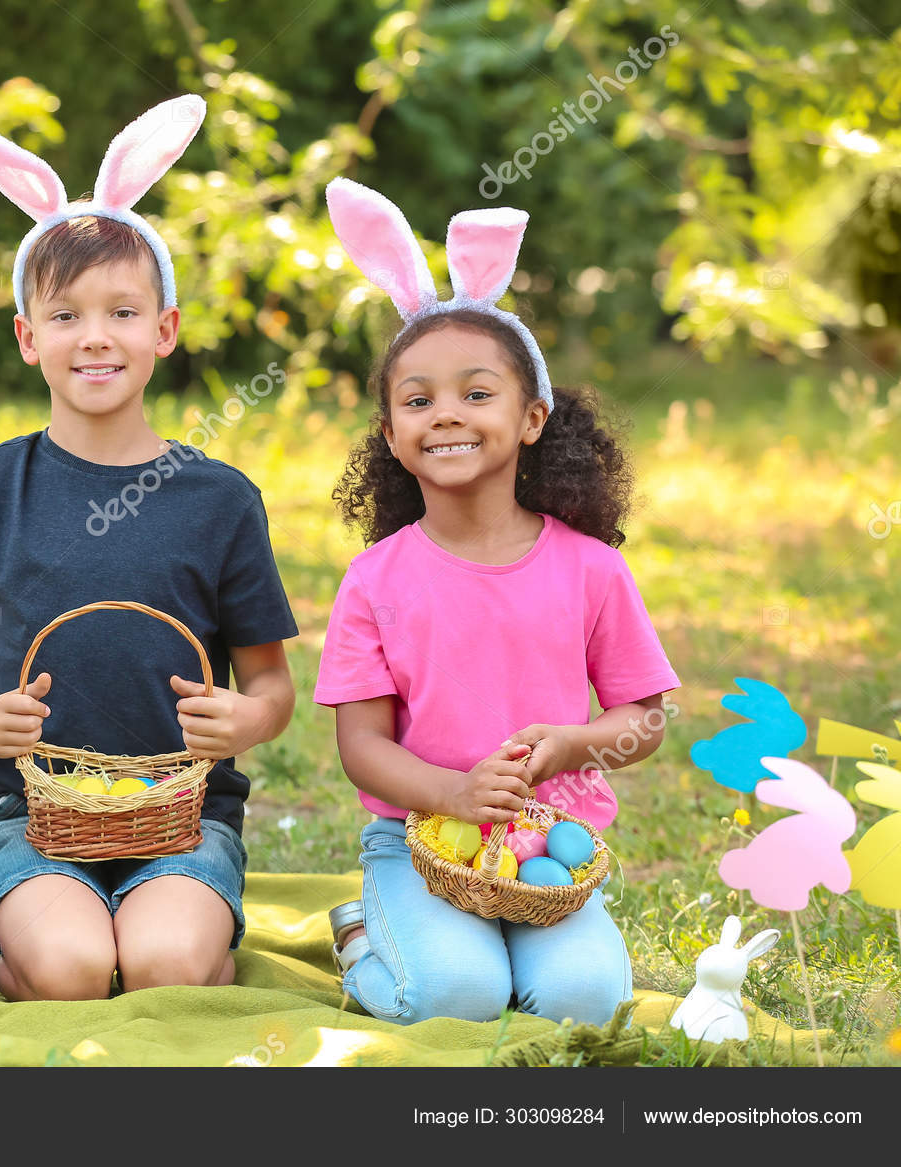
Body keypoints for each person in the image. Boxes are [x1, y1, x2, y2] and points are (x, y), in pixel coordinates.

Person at [0, 96, 298, 1001]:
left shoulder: (222, 502)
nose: (94, 337)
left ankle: (195, 947)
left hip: (184, 815)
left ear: (162, 331)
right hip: (30, 816)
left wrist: (245, 720)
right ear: (27, 337)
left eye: (123, 312)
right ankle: (36, 953)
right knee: (76, 967)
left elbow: (270, 687)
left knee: (162, 965)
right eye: (66, 315)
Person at [314, 180, 680, 1026]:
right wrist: (453, 795)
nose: (446, 414)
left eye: (477, 394)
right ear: (392, 430)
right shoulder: (376, 579)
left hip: (546, 841)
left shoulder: (591, 570)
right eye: (418, 400)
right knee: (453, 996)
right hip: (419, 843)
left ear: (532, 416)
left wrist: (575, 745)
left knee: (588, 1004)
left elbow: (646, 720)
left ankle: (518, 951)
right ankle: (368, 939)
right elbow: (363, 747)